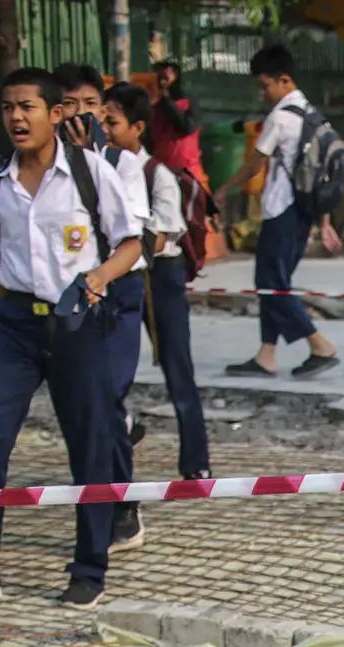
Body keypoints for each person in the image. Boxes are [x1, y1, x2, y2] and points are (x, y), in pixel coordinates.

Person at [0, 66, 143, 605]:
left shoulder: (90, 172)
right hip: (14, 329)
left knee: (90, 448)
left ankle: (88, 572)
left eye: (27, 107)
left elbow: (130, 244)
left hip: (77, 325)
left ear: (55, 114)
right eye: (8, 107)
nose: (15, 117)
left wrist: (97, 278)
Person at [102, 81, 202, 552]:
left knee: (176, 365)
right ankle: (123, 432)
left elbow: (167, 233)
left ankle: (196, 462)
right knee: (111, 371)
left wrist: (130, 248)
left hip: (158, 276)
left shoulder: (156, 173)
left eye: (112, 122)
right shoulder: (98, 167)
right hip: (120, 278)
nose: (104, 129)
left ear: (138, 127)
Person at [217, 45, 341, 378]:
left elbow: (255, 162)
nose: (262, 92)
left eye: (265, 84)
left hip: (281, 210)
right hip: (302, 212)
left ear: (284, 80)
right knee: (275, 284)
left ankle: (320, 345)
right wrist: (324, 220)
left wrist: (224, 190)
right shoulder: (312, 115)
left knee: (270, 283)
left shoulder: (281, 117)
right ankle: (266, 355)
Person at [147, 59, 204, 182]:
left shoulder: (188, 104)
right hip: (162, 172)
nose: (162, 83)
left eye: (166, 79)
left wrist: (168, 101)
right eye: (159, 79)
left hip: (186, 172)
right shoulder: (155, 110)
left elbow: (185, 127)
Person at [53, 64, 109, 152]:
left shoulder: (119, 159)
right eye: (69, 103)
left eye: (90, 103)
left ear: (103, 112)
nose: (80, 112)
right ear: (54, 112)